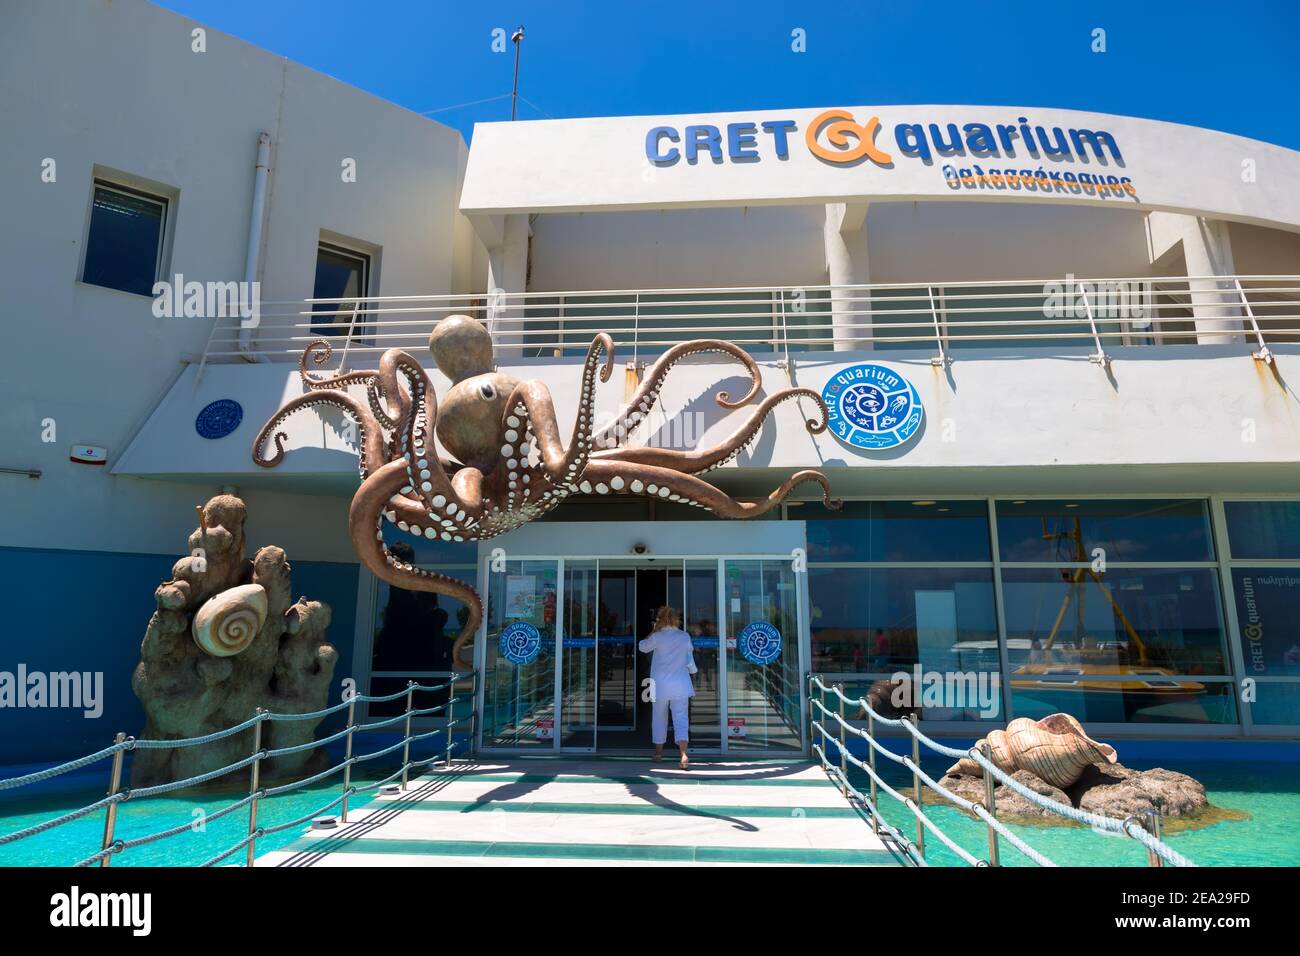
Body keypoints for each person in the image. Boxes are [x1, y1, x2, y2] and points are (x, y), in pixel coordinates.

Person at [638, 606, 697, 769]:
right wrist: (694, 672)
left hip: (660, 685)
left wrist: (652, 631)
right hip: (680, 684)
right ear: (676, 619)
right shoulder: (684, 636)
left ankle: (658, 753)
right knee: (681, 718)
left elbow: (642, 647)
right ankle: (683, 754)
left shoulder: (657, 636)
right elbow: (690, 661)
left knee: (658, 717)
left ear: (660, 619)